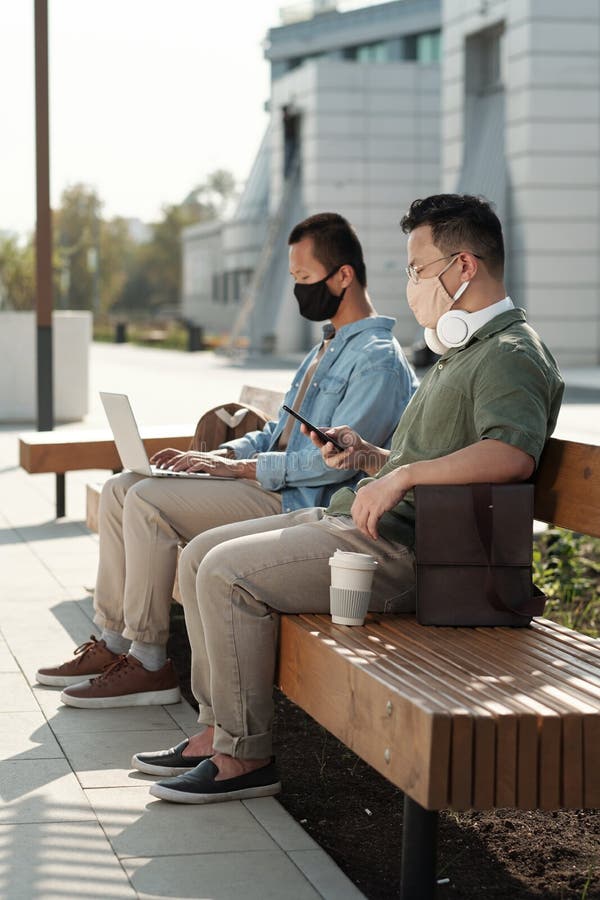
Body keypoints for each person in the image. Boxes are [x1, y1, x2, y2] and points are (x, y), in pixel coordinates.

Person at [131, 193, 564, 804]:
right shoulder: (463, 352)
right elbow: (430, 462)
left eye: (418, 268)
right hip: (372, 528)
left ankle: (243, 755)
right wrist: (368, 457)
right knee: (200, 553)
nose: (411, 283)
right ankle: (215, 732)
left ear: (463, 267)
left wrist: (401, 480)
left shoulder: (510, 354)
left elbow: (511, 455)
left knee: (227, 573)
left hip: (415, 554)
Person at [36, 212, 417, 707]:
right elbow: (275, 435)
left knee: (148, 501)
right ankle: (112, 644)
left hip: (300, 506)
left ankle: (150, 663)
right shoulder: (323, 349)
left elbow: (335, 463)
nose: (299, 290)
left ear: (343, 275)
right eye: (295, 279)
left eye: (305, 279)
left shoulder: (377, 359)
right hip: (267, 484)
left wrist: (240, 470)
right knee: (121, 488)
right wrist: (218, 455)